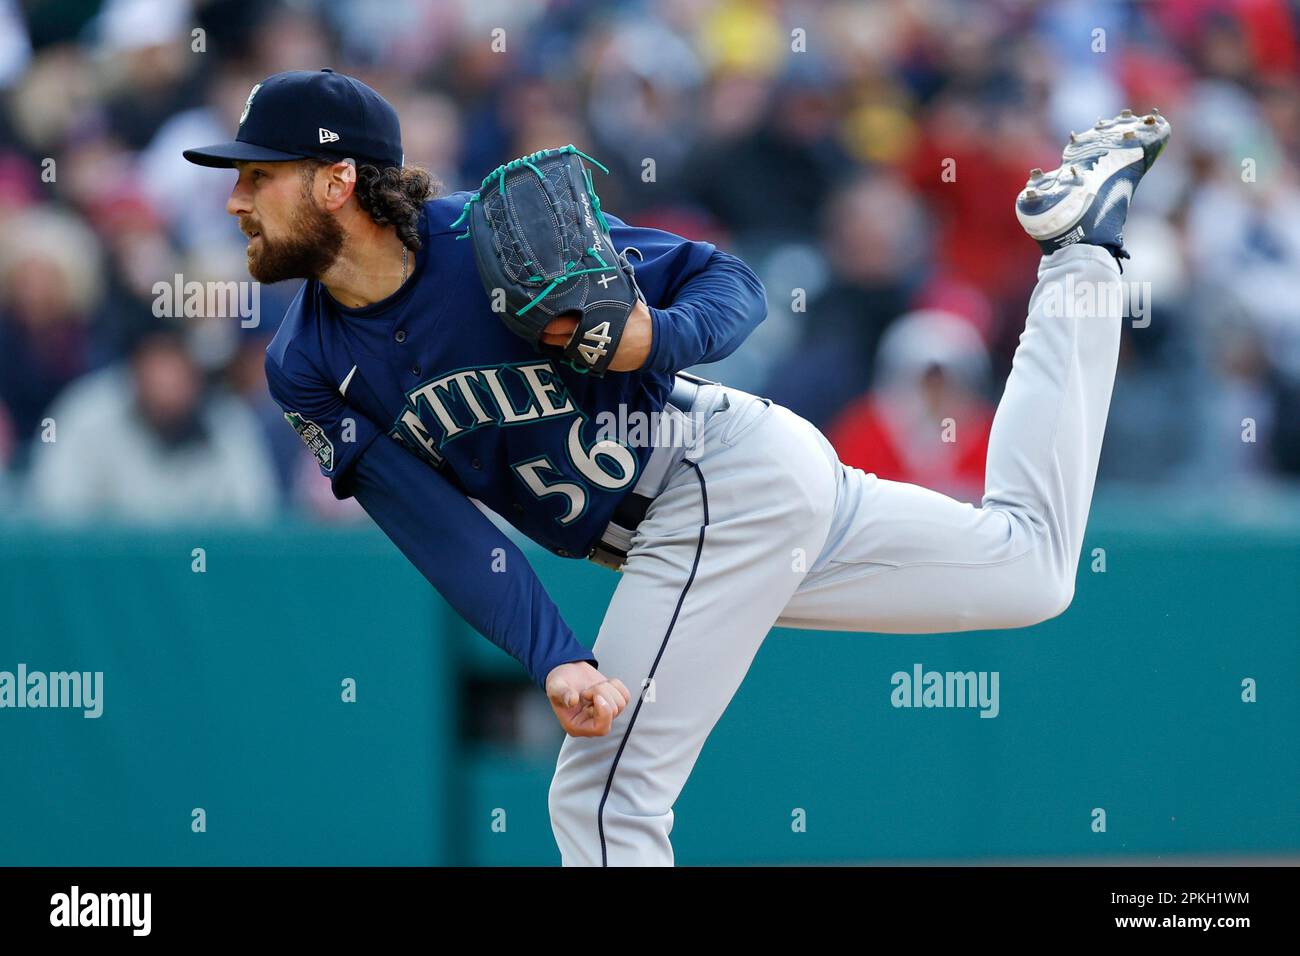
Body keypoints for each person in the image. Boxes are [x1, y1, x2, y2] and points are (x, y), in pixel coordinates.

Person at [184, 70, 1170, 866]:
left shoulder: (486, 236)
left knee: (601, 795)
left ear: (335, 180)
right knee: (1030, 566)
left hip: (709, 474)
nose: (232, 198)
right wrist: (554, 653)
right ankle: (1085, 250)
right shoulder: (305, 364)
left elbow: (728, 282)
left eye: (254, 175)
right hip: (711, 512)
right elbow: (441, 530)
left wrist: (653, 337)